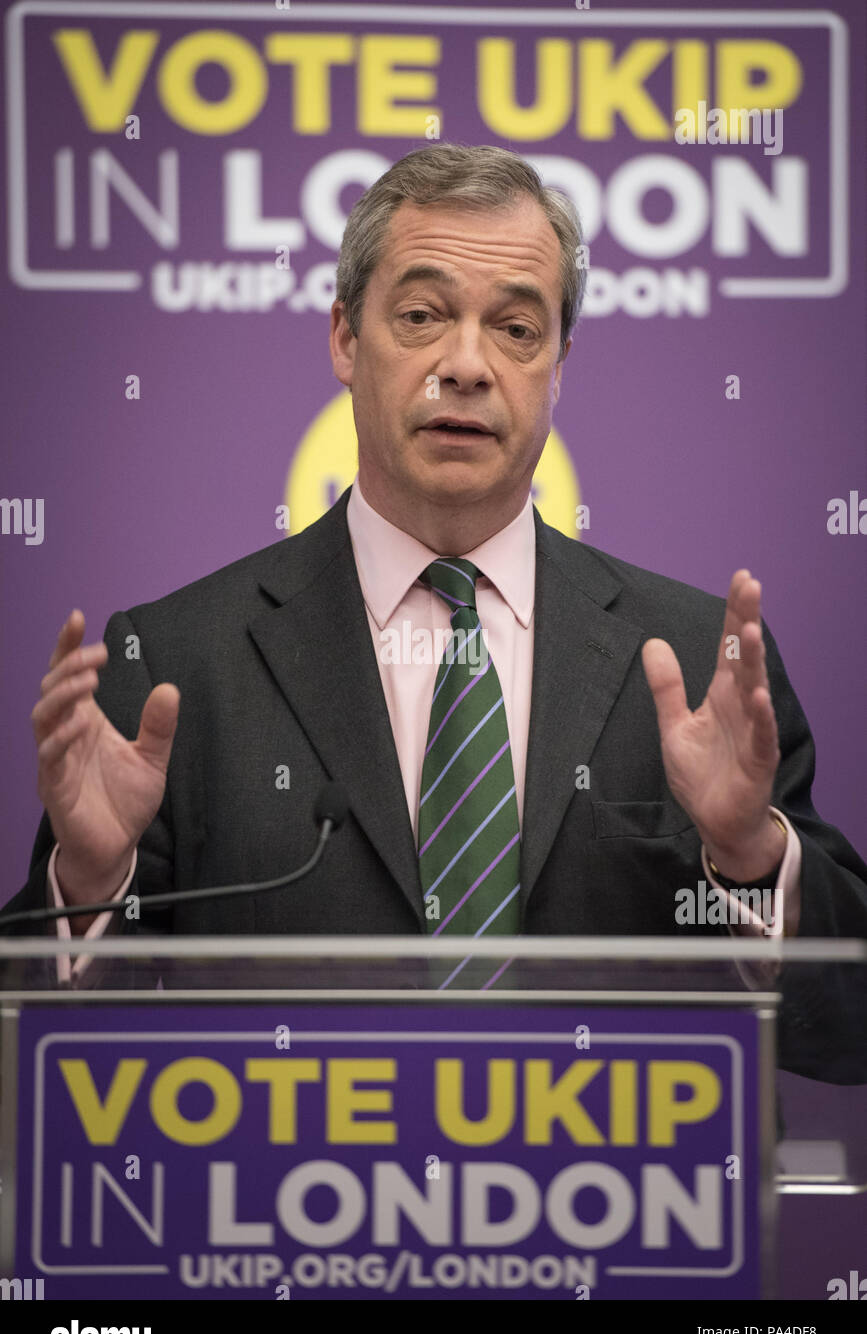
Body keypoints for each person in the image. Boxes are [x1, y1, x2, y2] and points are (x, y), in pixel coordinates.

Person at [3, 144, 866, 1080]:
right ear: (344, 337)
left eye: (516, 330)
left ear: (558, 367)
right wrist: (90, 890)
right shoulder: (174, 664)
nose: (466, 365)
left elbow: (849, 1024)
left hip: (619, 1212)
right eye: (420, 316)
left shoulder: (700, 660)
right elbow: (43, 1069)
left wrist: (744, 857)